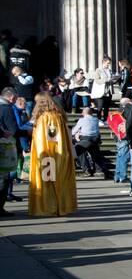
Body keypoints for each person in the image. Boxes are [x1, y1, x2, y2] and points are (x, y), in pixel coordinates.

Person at [26, 93, 77, 217]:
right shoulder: (55, 116)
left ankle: (48, 207)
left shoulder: (47, 117)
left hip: (49, 153)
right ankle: (59, 206)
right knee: (56, 180)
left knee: (47, 180)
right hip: (54, 153)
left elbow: (52, 137)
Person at [71, 106, 113, 179]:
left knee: (78, 150)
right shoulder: (96, 119)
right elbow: (102, 125)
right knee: (96, 156)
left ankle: (86, 170)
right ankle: (103, 171)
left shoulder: (82, 120)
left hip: (85, 139)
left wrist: (75, 134)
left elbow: (74, 131)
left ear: (83, 113)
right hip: (95, 139)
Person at [0, 88, 23, 217]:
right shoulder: (7, 108)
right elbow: (13, 129)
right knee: (3, 178)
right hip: (4, 146)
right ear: (11, 98)